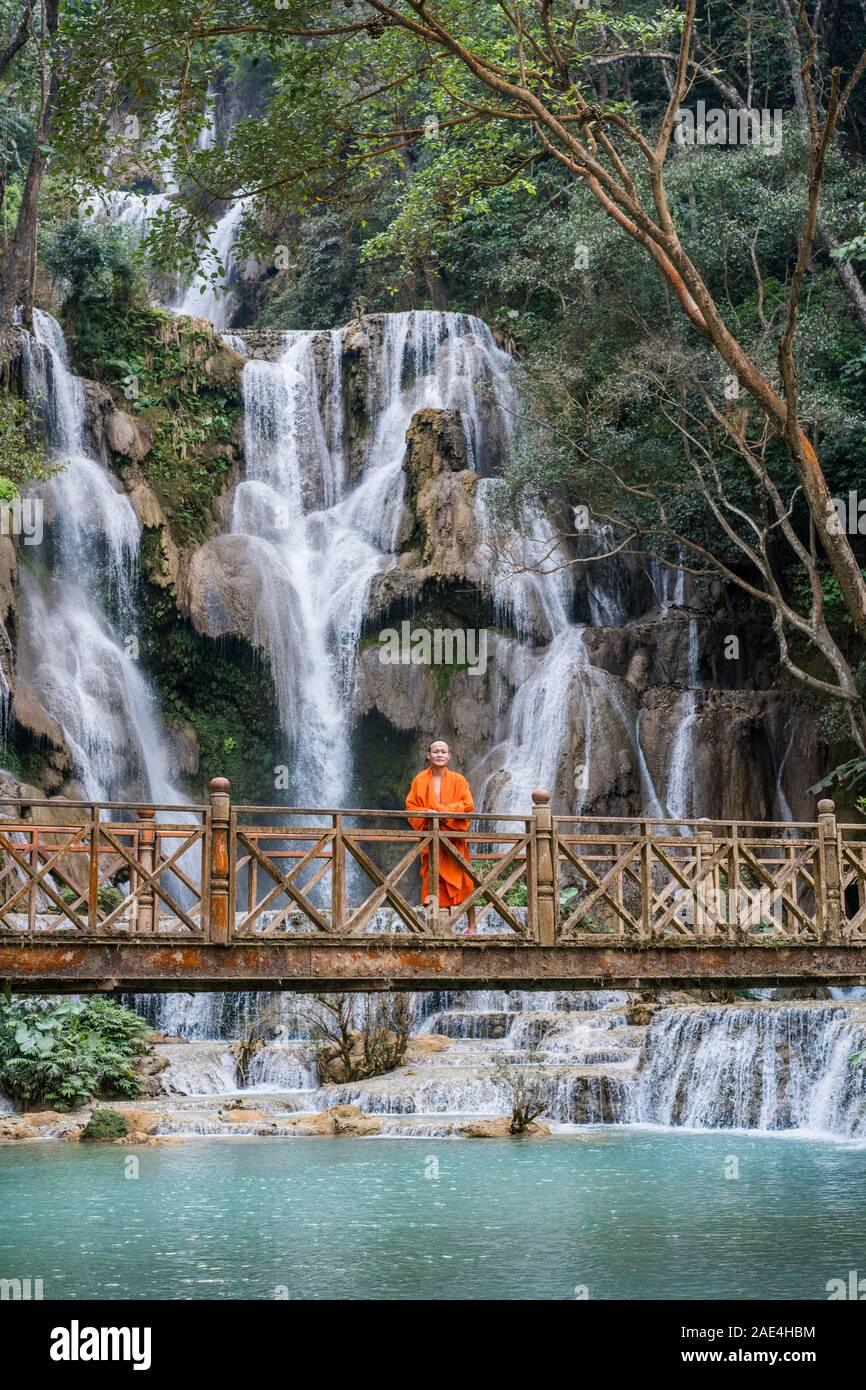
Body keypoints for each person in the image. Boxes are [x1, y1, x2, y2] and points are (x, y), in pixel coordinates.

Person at [406, 739, 477, 933]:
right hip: (432, 841)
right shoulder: (419, 780)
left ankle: (472, 926)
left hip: (453, 840)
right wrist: (431, 816)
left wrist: (438, 811)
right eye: (435, 751)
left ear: (449, 756)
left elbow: (468, 805)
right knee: (431, 885)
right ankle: (433, 926)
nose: (439, 754)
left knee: (466, 882)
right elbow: (412, 808)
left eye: (443, 751)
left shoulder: (459, 780)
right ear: (428, 755)